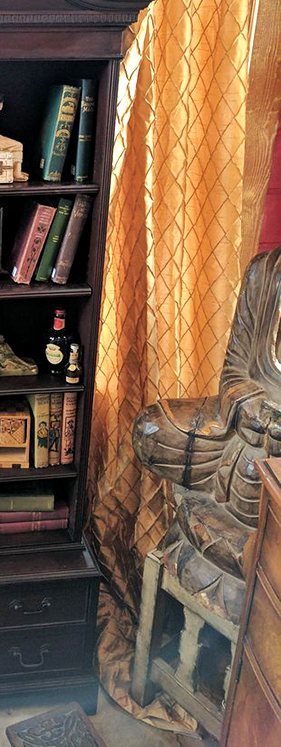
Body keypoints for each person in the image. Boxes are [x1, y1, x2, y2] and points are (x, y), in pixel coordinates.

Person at [133, 246, 281, 617]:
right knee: (151, 430)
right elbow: (234, 369)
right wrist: (246, 404)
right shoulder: (265, 272)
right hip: (240, 429)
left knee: (256, 473)